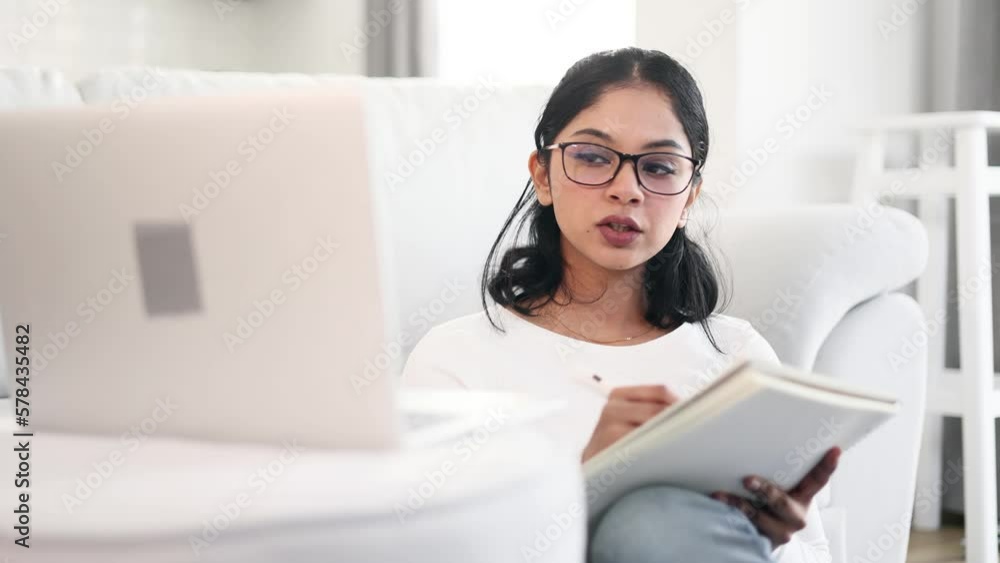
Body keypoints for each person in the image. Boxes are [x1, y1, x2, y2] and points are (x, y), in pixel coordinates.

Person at [401, 47, 838, 563]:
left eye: (658, 167)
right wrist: (584, 483)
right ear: (542, 175)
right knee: (650, 523)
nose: (626, 190)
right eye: (592, 157)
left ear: (689, 198)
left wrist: (771, 540)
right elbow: (423, 549)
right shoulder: (457, 360)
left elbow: (817, 554)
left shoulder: (738, 358)